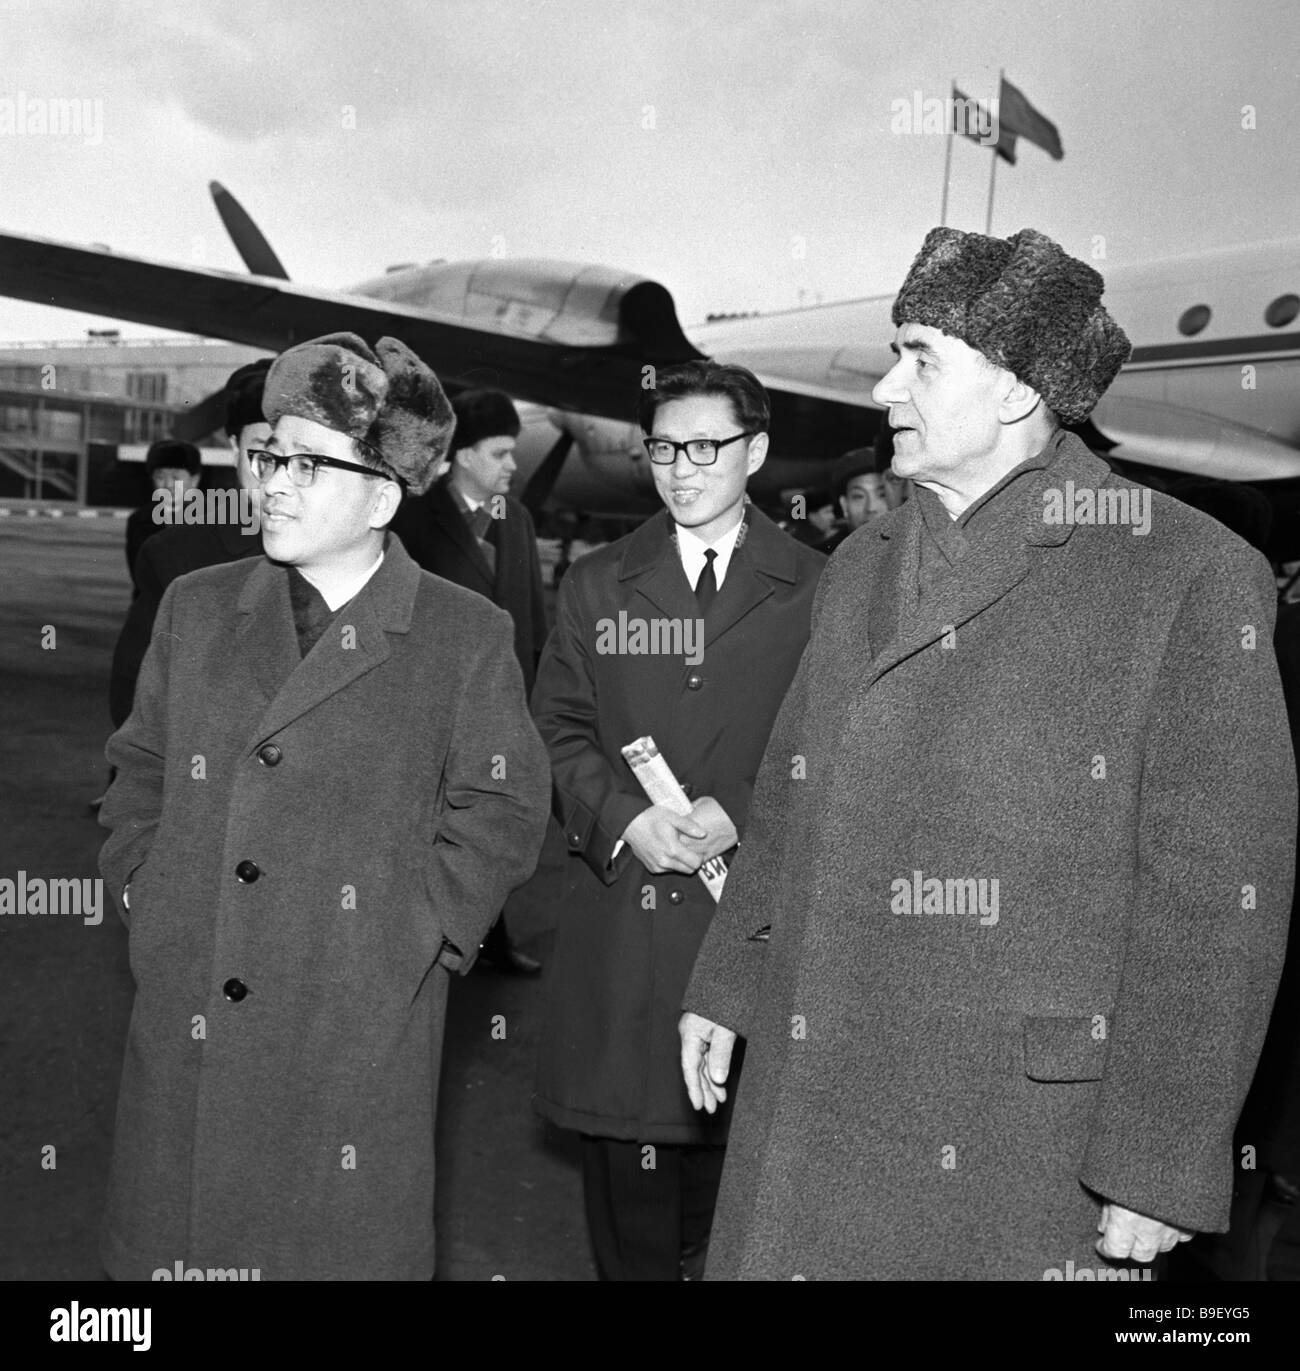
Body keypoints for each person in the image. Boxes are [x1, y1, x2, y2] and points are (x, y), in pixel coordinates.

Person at [679, 227, 1297, 1281]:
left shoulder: (1184, 575)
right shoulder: (861, 561)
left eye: (920, 359)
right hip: (810, 1089)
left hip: (1019, 1146)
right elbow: (789, 797)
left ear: (1015, 389)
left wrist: (1156, 1163)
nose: (885, 389)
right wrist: (728, 978)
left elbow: (1213, 906)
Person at [98, 331, 551, 1280]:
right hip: (192, 1012)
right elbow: (138, 764)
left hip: (353, 1032)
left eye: (309, 463)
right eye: (271, 455)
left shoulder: (463, 634)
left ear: (383, 496)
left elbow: (504, 807)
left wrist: (417, 934)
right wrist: (146, 883)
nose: (275, 482)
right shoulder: (196, 606)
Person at [531, 360, 824, 1280]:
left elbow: (841, 742)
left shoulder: (820, 587)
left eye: (705, 447)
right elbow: (556, 728)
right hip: (626, 928)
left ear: (757, 452)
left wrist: (742, 811)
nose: (680, 469)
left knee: (738, 1193)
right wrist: (624, 819)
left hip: (758, 927)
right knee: (632, 1197)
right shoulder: (596, 583)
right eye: (663, 449)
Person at [391, 387, 549, 974]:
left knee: (493, 818)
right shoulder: (412, 518)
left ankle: (490, 940)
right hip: (429, 707)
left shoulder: (518, 519)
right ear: (462, 455)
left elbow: (533, 617)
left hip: (501, 704)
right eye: (500, 453)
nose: (512, 465)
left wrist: (534, 700)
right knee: (434, 824)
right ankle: (430, 938)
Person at [108, 360, 272, 729]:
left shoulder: (359, 550)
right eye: (262, 453)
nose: (278, 475)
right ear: (235, 447)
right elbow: (136, 703)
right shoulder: (173, 553)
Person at [124, 439, 202, 589]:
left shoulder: (213, 519)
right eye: (160, 477)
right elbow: (140, 576)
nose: (168, 485)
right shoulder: (139, 521)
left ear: (194, 480)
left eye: (176, 477)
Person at [819, 447, 890, 553]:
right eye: (859, 496)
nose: (871, 508)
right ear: (844, 506)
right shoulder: (821, 559)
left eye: (882, 495)